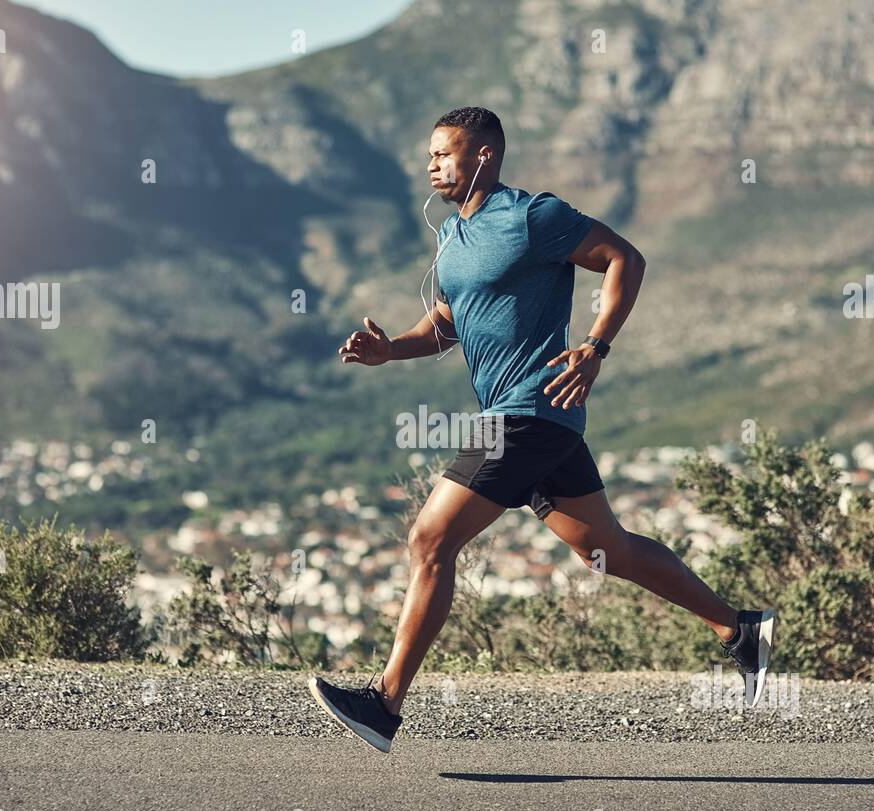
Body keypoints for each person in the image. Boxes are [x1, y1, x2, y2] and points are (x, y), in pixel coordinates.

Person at [308, 107, 774, 753]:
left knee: (430, 539)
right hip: (535, 415)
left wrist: (595, 345)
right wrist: (392, 350)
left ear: (484, 156)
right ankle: (739, 628)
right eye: (430, 155)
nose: (431, 164)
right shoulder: (453, 235)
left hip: (528, 410)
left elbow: (623, 258)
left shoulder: (534, 216)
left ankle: (385, 704)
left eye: (445, 153)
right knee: (604, 548)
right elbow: (447, 322)